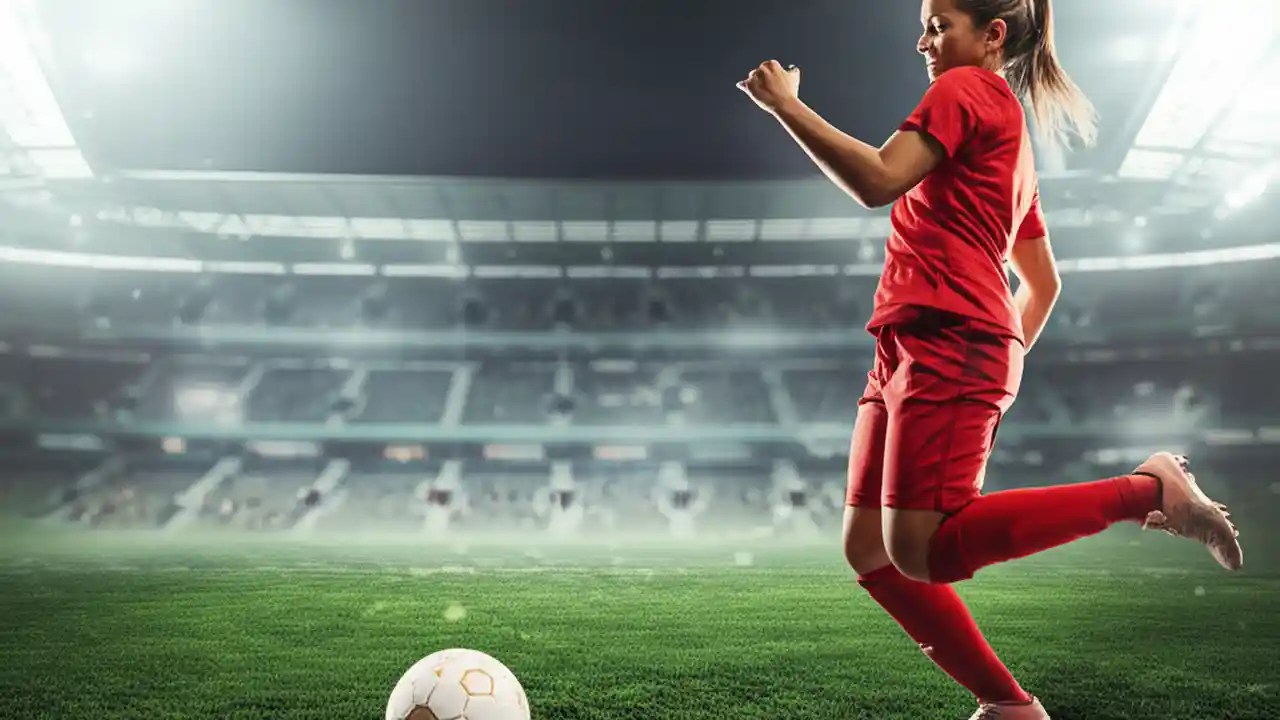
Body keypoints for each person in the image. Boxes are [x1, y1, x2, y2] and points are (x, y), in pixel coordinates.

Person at [736, 1, 1243, 718]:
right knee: (870, 552)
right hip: (914, 346)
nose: (925, 41)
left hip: (949, 340)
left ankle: (1147, 491)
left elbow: (879, 180)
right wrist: (1002, 363)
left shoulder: (966, 90)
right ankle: (1009, 708)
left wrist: (785, 105)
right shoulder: (1010, 138)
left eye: (940, 25)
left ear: (992, 33)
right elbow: (1043, 284)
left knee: (920, 552)